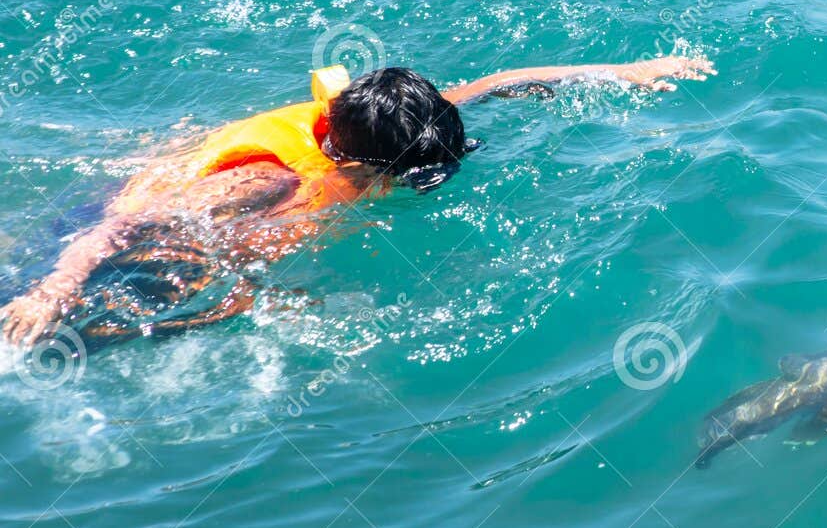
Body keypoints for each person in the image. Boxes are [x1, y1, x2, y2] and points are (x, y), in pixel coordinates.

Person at [0, 55, 715, 347]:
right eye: (410, 178)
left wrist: (624, 71)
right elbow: (130, 223)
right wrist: (50, 291)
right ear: (367, 164)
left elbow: (496, 81)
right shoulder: (271, 180)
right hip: (93, 244)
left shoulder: (398, 123)